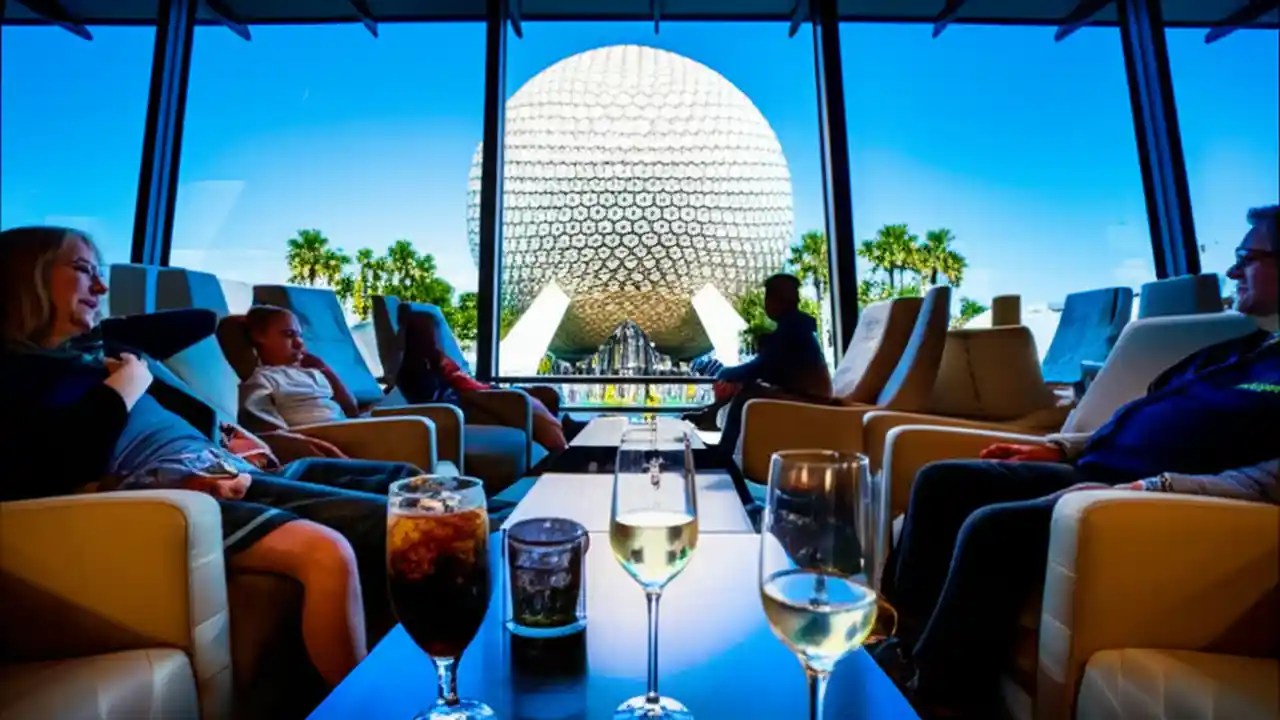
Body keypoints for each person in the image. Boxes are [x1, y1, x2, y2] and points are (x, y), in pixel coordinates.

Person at [876, 205, 1280, 717]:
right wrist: (1061, 446)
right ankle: (898, 643)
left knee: (993, 528)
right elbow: (1138, 417)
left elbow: (1268, 482)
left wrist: (1149, 489)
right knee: (942, 481)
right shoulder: (1233, 351)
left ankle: (937, 698)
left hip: (1160, 501)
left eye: (1248, 255)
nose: (1232, 270)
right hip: (1098, 469)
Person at [0, 226, 422, 688]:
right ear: (27, 279)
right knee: (398, 523)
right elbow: (53, 463)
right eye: (83, 271)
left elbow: (202, 319)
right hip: (185, 480)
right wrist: (126, 385)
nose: (100, 287)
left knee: (410, 483)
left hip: (227, 460)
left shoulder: (96, 352)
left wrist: (107, 333)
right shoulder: (21, 373)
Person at [396, 303, 570, 452]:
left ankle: (566, 429)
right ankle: (558, 451)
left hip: (476, 395)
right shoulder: (416, 370)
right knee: (525, 404)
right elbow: (437, 399)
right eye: (434, 334)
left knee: (547, 395)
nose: (439, 339)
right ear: (421, 338)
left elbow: (466, 382)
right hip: (466, 408)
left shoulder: (441, 361)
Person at [698, 273, 833, 456]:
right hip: (805, 394)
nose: (766, 303)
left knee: (748, 392)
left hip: (809, 399)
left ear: (779, 300)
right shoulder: (794, 328)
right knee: (747, 386)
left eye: (768, 297)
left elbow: (761, 368)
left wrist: (725, 372)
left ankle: (723, 446)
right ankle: (711, 416)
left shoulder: (791, 331)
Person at [239, 305, 361, 432]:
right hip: (319, 436)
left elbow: (351, 409)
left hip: (344, 427)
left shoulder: (312, 372)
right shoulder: (265, 378)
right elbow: (269, 427)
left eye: (300, 336)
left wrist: (324, 368)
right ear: (259, 336)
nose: (299, 343)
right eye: (289, 334)